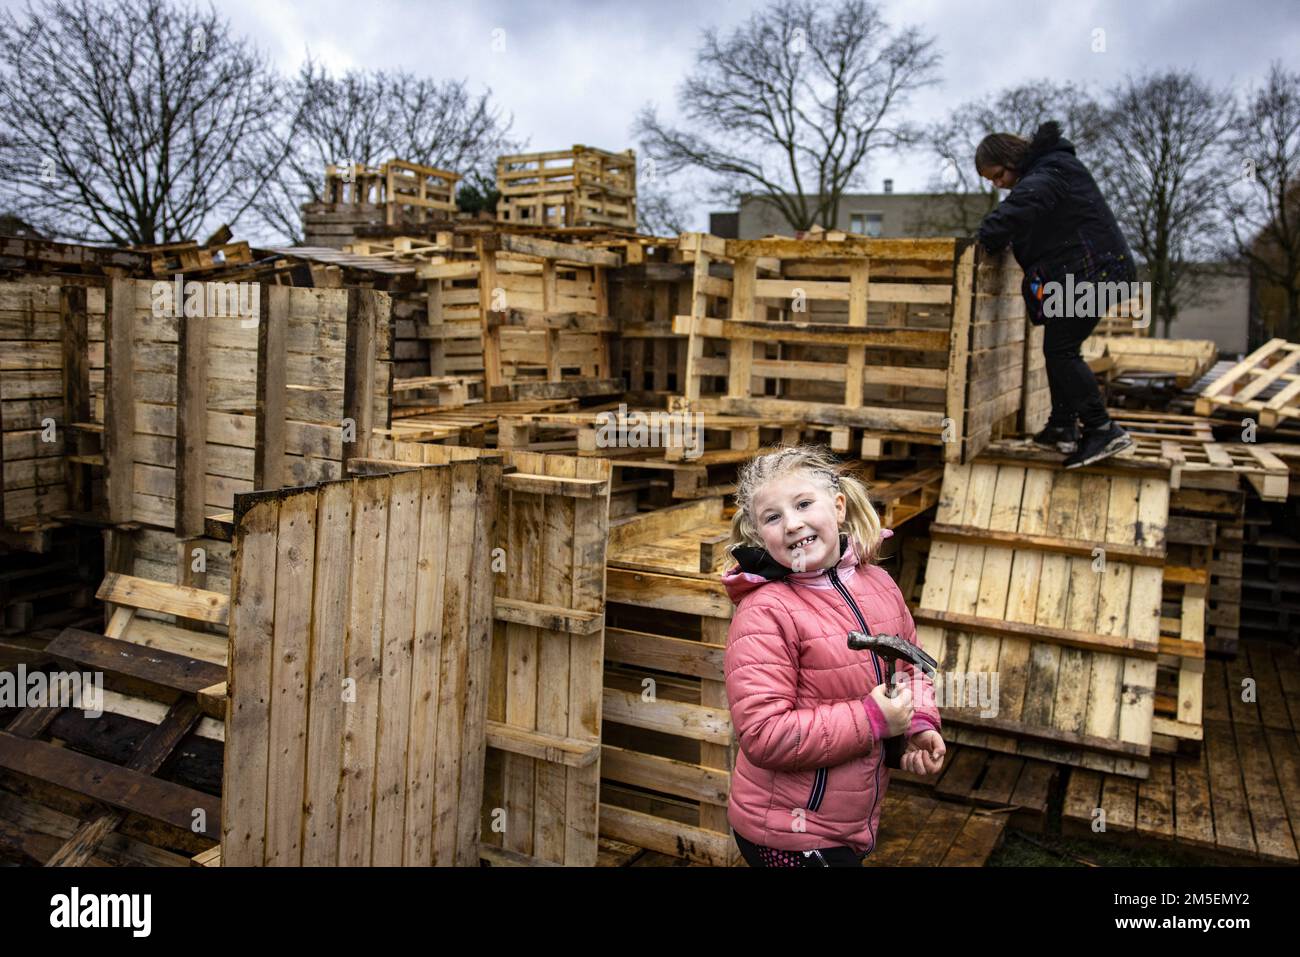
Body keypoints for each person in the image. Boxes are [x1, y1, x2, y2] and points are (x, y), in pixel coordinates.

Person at [722, 445, 944, 867]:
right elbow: (764, 735)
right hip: (789, 830)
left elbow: (910, 666)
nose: (792, 523)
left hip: (848, 821)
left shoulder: (878, 583)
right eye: (772, 517)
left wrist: (917, 723)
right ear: (759, 536)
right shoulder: (766, 612)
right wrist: (872, 720)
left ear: (839, 507)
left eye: (804, 503)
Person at [976, 120, 1136, 468]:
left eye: (998, 175)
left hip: (1098, 273)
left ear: (1011, 159)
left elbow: (1023, 205)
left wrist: (986, 235)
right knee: (1060, 347)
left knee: (1061, 349)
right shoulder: (1051, 169)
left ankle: (1102, 428)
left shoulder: (1052, 169)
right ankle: (1063, 426)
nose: (999, 185)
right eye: (991, 181)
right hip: (1095, 272)